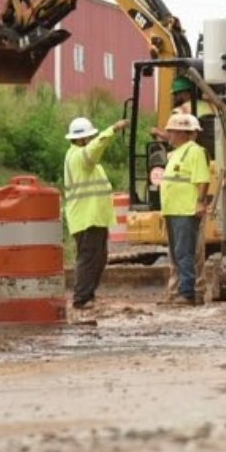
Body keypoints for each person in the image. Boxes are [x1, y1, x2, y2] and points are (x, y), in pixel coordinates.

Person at [63, 115, 129, 310]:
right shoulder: (80, 156)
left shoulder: (84, 159)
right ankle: (82, 298)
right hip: (86, 217)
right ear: (82, 139)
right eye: (89, 136)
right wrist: (113, 129)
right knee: (89, 258)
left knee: (98, 257)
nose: (92, 139)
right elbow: (96, 147)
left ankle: (87, 295)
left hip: (94, 217)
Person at [159, 111, 212, 306]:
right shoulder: (177, 153)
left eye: (173, 132)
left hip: (185, 210)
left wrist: (199, 201)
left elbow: (202, 180)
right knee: (177, 253)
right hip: (173, 210)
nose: (169, 135)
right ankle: (182, 291)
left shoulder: (194, 151)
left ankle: (187, 292)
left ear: (184, 133)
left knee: (184, 252)